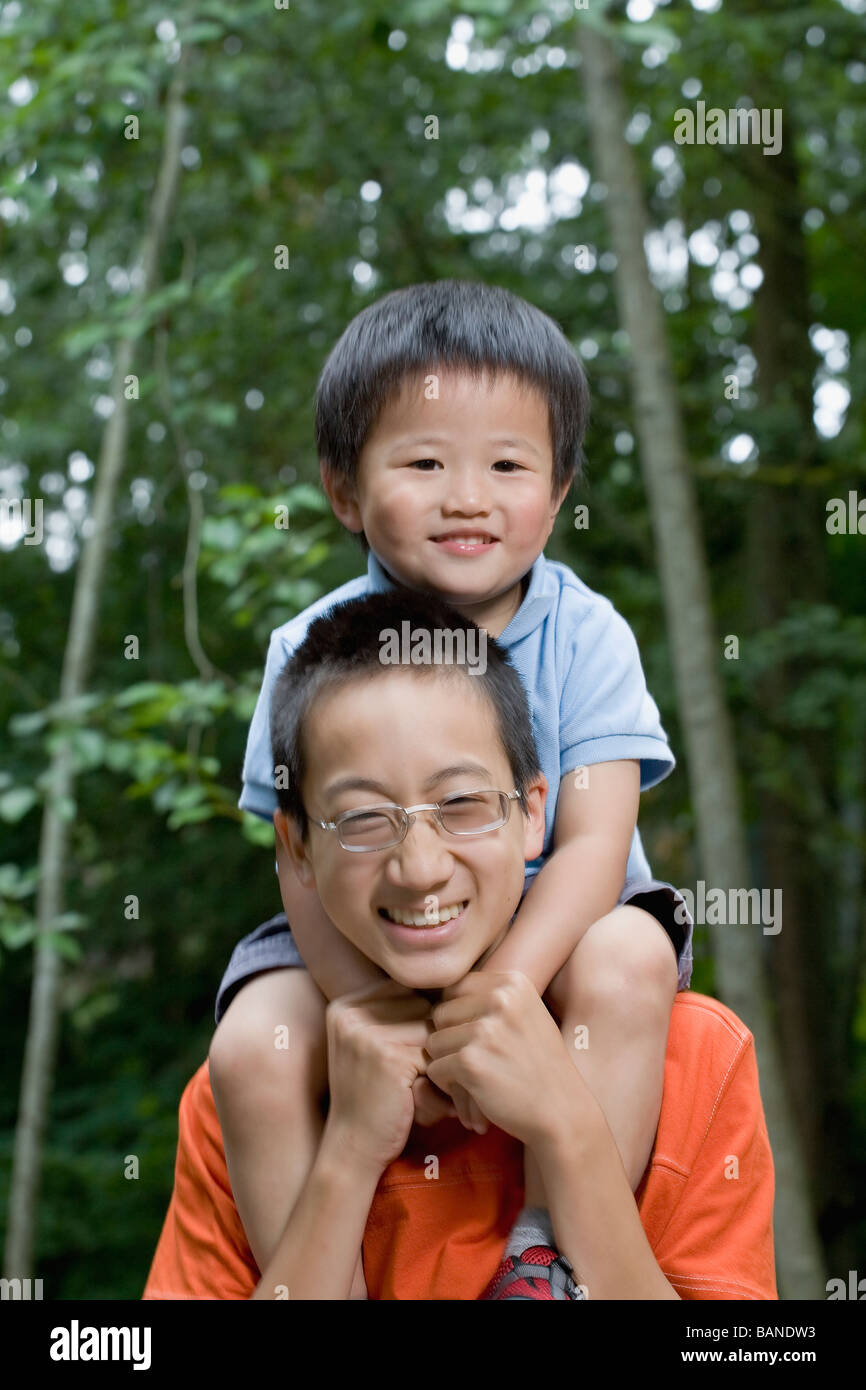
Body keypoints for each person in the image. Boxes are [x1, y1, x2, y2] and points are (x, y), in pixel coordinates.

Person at [208, 280, 695, 1297]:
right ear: (345, 490)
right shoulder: (304, 648)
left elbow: (595, 842)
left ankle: (545, 1254)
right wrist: (367, 1007)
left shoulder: (587, 633)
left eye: (507, 466)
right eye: (424, 463)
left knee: (631, 957)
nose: (467, 496)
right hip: (365, 933)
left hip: (556, 929)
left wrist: (499, 994)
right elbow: (298, 862)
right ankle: (319, 1273)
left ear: (558, 491)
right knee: (254, 1042)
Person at [143, 592, 776, 1300]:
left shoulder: (690, 1061)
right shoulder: (260, 1082)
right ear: (298, 849)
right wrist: (348, 1152)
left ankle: (539, 1261)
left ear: (532, 813)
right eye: (362, 819)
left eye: (462, 806)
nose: (419, 869)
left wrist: (569, 1128)